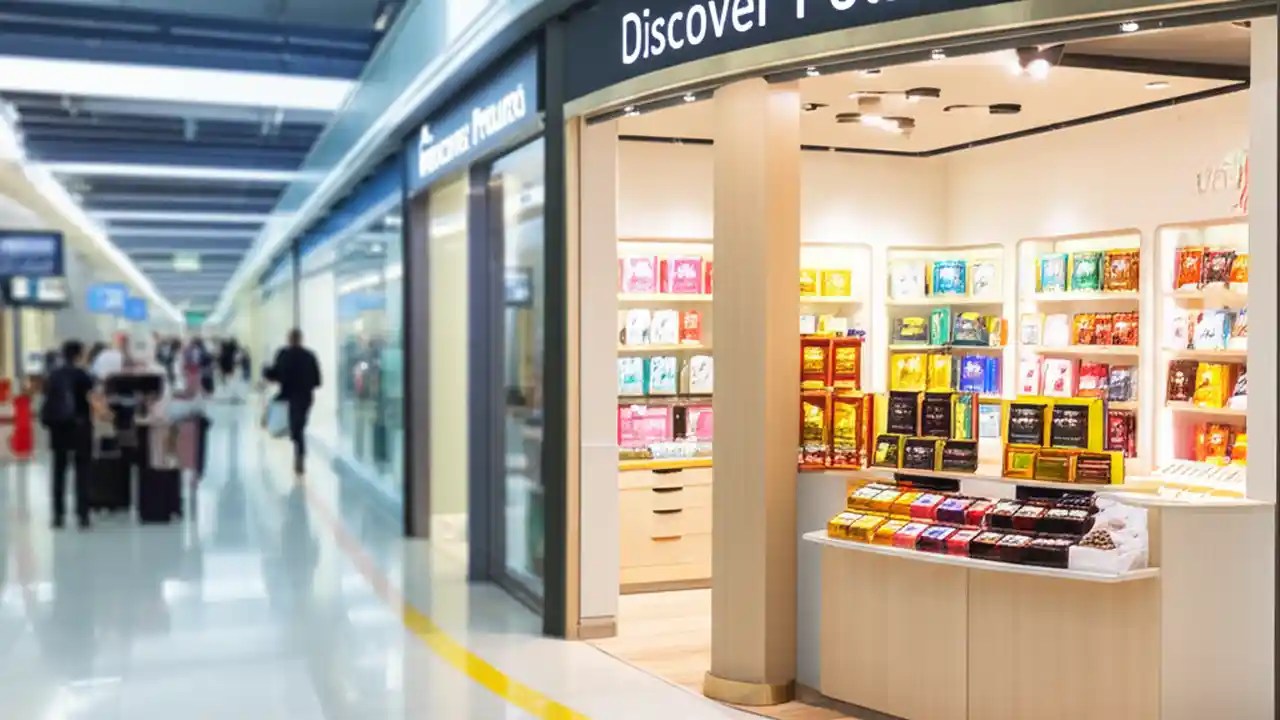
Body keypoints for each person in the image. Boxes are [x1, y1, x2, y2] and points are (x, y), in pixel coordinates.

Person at [41, 340, 96, 529]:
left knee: (59, 471)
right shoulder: (82, 375)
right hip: (80, 427)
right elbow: (92, 393)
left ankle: (58, 515)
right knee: (83, 471)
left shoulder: (53, 375)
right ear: (79, 355)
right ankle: (83, 515)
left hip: (58, 428)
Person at [266, 329, 322, 476]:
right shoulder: (309, 356)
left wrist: (266, 372)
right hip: (304, 397)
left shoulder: (283, 355)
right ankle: (300, 455)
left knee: (295, 427)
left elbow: (274, 375)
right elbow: (318, 381)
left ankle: (299, 453)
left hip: (287, 397)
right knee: (299, 427)